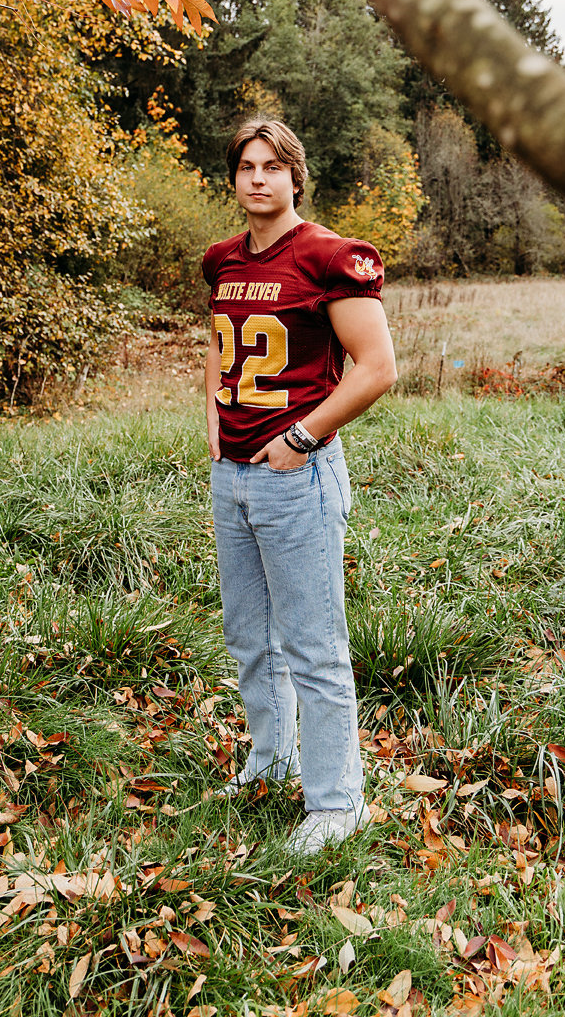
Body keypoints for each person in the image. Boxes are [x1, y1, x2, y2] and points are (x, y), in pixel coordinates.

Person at [202, 118, 397, 856]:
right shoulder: (221, 260)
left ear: (295, 177)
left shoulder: (327, 256)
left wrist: (302, 438)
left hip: (297, 474)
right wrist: (214, 425)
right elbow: (220, 348)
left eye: (272, 166)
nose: (258, 178)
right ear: (233, 178)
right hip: (234, 473)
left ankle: (337, 801)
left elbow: (377, 368)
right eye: (246, 165)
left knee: (314, 646)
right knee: (250, 636)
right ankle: (271, 759)